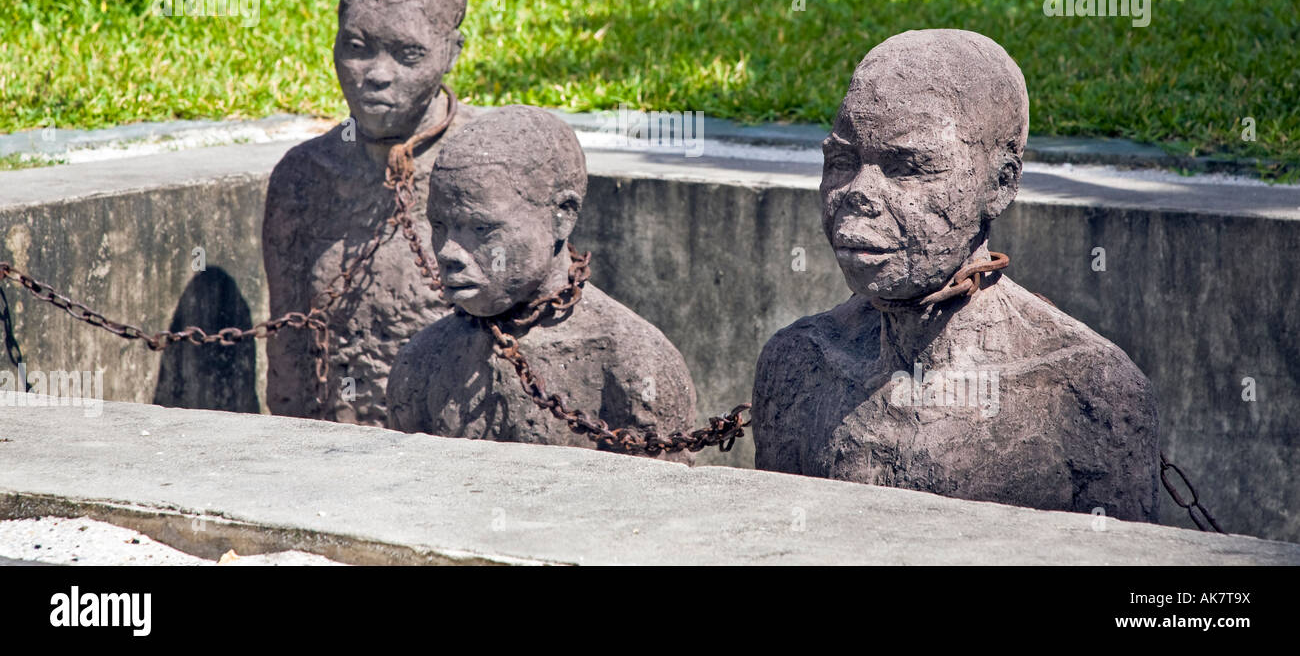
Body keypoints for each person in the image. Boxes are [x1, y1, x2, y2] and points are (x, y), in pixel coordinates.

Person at [752, 29, 1159, 521]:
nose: (858, 193)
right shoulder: (797, 364)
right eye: (843, 160)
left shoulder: (1088, 388)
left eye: (906, 167)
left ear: (1001, 183)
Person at [387, 105, 697, 462]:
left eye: (481, 229)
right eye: (439, 226)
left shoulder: (634, 365)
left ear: (562, 216)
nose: (447, 252)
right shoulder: (421, 363)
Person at [263, 0, 475, 424]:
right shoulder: (303, 179)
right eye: (357, 47)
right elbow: (288, 368)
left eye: (408, 54)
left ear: (451, 52)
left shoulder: (490, 166)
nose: (377, 75)